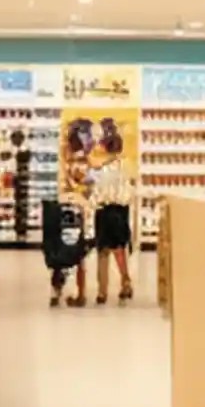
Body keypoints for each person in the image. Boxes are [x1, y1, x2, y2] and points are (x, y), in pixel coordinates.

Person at [81, 117, 135, 305]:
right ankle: (125, 281)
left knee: (102, 251)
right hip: (120, 210)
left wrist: (90, 204)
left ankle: (102, 291)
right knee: (119, 249)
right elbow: (130, 192)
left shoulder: (101, 170)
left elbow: (96, 194)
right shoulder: (125, 168)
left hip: (104, 212)